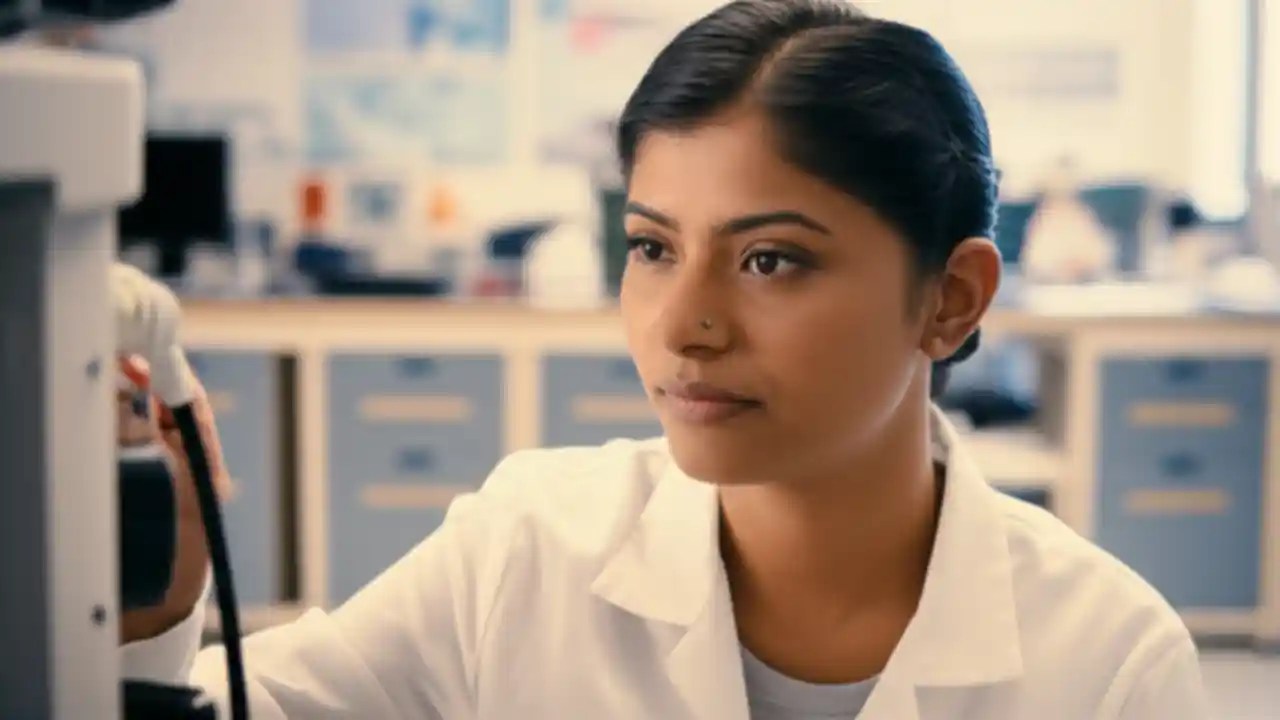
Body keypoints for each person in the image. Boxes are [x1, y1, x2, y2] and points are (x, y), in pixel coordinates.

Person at [120, 1, 1211, 717]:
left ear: (949, 298)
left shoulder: (1107, 663)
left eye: (771, 260)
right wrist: (153, 611)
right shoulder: (525, 548)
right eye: (650, 247)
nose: (682, 324)